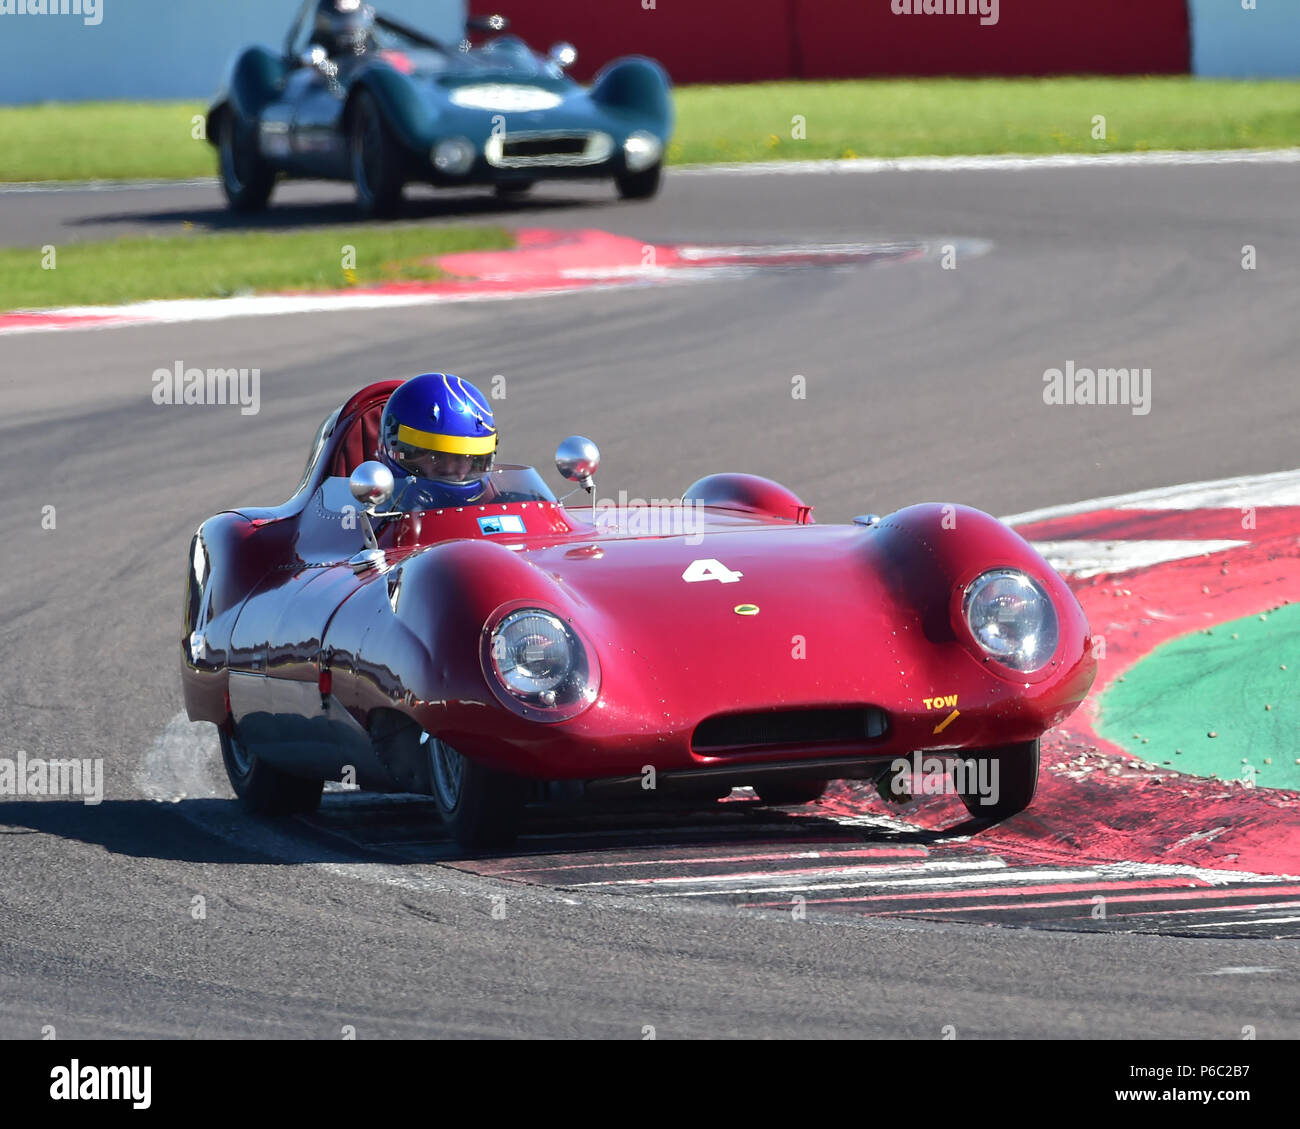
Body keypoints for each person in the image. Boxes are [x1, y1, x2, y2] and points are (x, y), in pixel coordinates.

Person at [376, 372, 499, 509]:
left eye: (463, 457)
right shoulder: (365, 518)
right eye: (436, 457)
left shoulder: (500, 508)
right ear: (398, 449)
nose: (450, 468)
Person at [311, 0, 377, 59]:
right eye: (340, 22)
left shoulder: (368, 41)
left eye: (352, 20)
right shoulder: (318, 45)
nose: (348, 27)